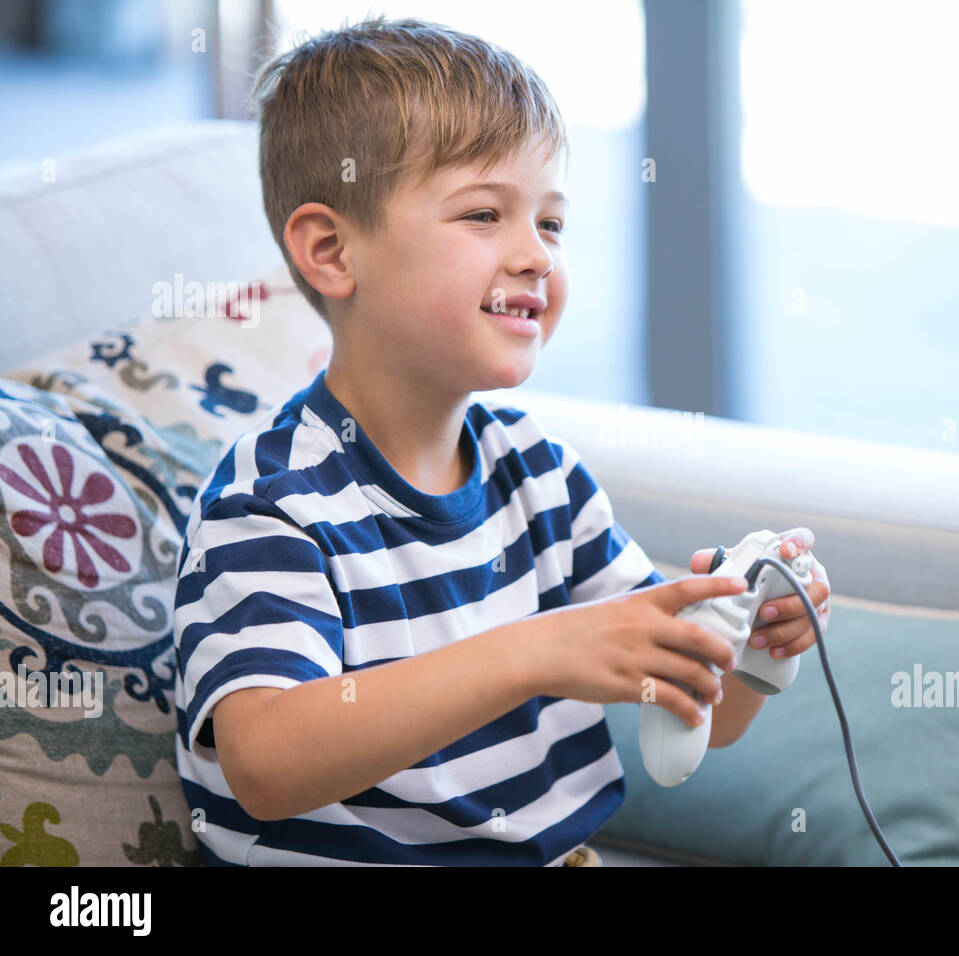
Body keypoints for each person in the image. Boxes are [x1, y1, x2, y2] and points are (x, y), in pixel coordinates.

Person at [172, 16, 832, 866]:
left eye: (551, 225)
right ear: (332, 251)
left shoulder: (542, 475)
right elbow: (266, 761)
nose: (536, 256)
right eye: (485, 214)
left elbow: (693, 714)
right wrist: (535, 652)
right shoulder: (269, 506)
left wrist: (743, 643)